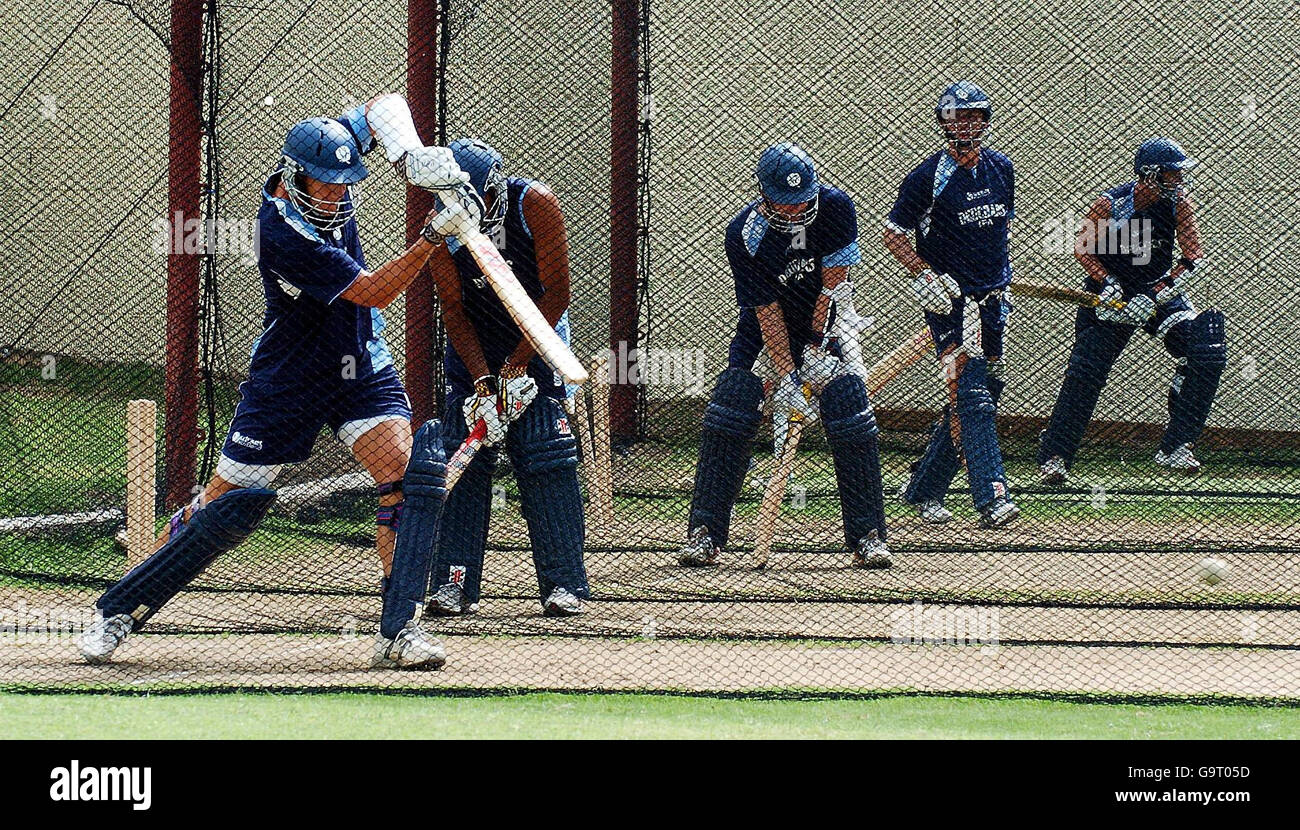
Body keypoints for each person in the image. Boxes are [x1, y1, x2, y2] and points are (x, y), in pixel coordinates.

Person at [79, 94, 481, 669]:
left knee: (406, 475)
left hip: (359, 367)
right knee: (229, 504)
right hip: (288, 379)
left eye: (345, 185)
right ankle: (119, 609)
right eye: (325, 186)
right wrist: (431, 238)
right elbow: (373, 290)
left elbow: (382, 105)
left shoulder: (324, 152)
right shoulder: (283, 235)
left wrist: (414, 155)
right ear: (295, 179)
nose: (336, 195)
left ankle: (400, 631)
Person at [677, 142, 891, 569]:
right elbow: (766, 312)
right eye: (784, 205)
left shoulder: (835, 207)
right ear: (762, 193)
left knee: (850, 404)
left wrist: (815, 346)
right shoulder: (744, 235)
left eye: (801, 203)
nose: (795, 213)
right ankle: (705, 533)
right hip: (767, 325)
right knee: (732, 402)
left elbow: (833, 284)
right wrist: (789, 378)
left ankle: (868, 536)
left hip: (827, 316)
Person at [420, 138, 590, 617]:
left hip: (535, 338)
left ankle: (565, 585)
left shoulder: (533, 204)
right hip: (475, 349)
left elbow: (556, 294)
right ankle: (454, 582)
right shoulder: (437, 229)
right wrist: (480, 381)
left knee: (545, 453)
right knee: (465, 457)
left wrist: (519, 365)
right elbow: (453, 310)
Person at [1038, 138, 1222, 482]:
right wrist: (1107, 282)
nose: (1179, 181)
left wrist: (1156, 294)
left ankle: (1176, 447)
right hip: (1111, 293)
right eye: (1171, 174)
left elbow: (1193, 257)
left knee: (1205, 350)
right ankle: (1055, 455)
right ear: (1150, 175)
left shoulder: (1179, 204)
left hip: (1156, 290)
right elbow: (1083, 251)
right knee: (1085, 373)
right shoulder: (1110, 204)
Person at [883, 80, 1020, 529]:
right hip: (949, 299)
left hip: (993, 297)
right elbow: (894, 233)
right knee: (972, 391)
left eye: (975, 116)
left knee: (983, 389)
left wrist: (1004, 281)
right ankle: (992, 495)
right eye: (958, 117)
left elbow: (1000, 233)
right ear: (944, 123)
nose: (967, 124)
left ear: (985, 121)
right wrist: (923, 275)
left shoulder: (1002, 169)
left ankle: (925, 487)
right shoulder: (928, 177)